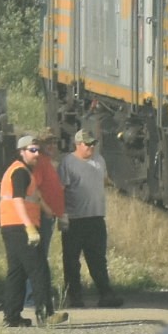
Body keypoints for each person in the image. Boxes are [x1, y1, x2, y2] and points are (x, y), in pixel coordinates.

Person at [0, 136, 56, 328]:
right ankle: (45, 314)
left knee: (17, 273)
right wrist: (29, 227)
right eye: (32, 150)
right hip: (21, 228)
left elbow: (34, 197)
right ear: (21, 152)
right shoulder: (20, 172)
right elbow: (18, 201)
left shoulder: (24, 171)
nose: (37, 154)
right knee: (39, 269)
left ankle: (12, 316)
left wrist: (48, 210)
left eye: (38, 150)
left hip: (11, 227)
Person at [59, 130, 114, 308]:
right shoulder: (68, 162)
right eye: (87, 144)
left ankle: (106, 294)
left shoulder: (99, 160)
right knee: (72, 261)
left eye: (93, 144)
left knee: (98, 258)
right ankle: (75, 296)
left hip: (96, 217)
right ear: (78, 144)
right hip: (75, 219)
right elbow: (60, 189)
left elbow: (104, 180)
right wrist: (62, 215)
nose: (91, 147)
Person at [27, 134, 69, 317]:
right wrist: (46, 209)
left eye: (54, 142)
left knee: (41, 258)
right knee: (38, 260)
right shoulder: (41, 163)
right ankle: (32, 298)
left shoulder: (48, 162)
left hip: (49, 217)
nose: (52, 146)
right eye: (47, 143)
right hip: (42, 217)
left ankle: (36, 297)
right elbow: (35, 189)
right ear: (40, 146)